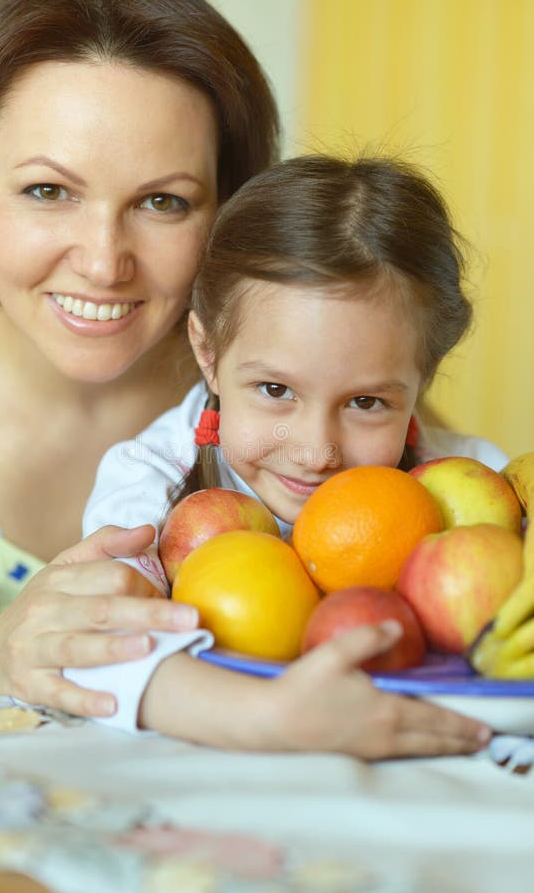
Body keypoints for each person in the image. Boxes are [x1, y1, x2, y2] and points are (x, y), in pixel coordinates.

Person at [67, 153, 505, 759]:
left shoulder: (482, 491)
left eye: (368, 402)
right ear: (209, 352)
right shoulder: (148, 489)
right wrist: (268, 716)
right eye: (276, 390)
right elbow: (95, 649)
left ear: (422, 379)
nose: (316, 452)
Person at [0, 0, 280, 712]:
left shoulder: (271, 367)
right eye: (48, 190)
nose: (102, 263)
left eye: (162, 203)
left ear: (228, 204)